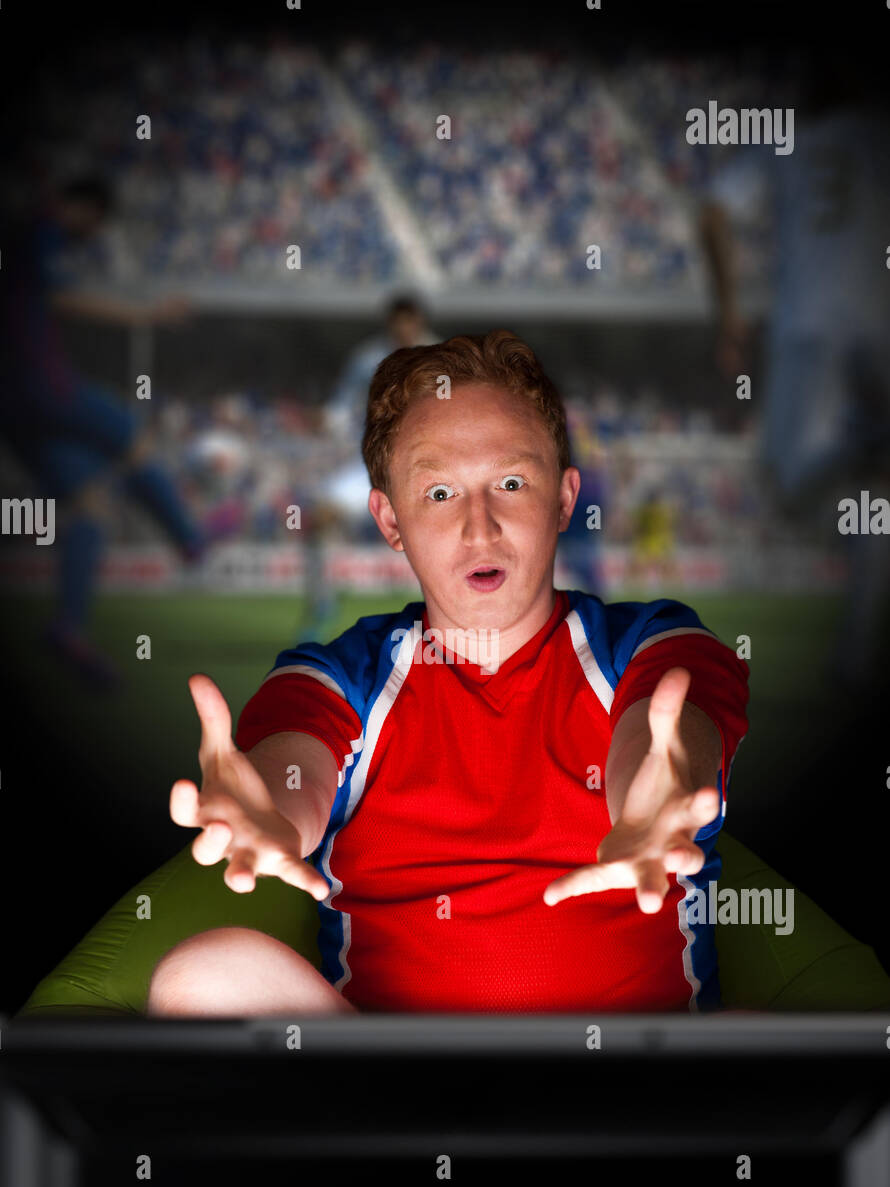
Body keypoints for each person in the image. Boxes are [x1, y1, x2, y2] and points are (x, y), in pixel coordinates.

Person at [147, 330, 749, 1018]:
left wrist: (657, 791)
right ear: (389, 519)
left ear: (563, 499)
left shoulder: (650, 644)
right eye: (438, 493)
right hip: (402, 1092)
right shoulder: (342, 677)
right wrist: (266, 813)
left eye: (512, 484)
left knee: (781, 1050)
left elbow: (665, 734)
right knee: (201, 978)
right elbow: (295, 770)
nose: (479, 527)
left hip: (622, 1090)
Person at [698, 54, 890, 693]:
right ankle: (855, 656)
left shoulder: (788, 143)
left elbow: (713, 213)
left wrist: (728, 317)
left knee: (786, 484)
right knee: (874, 502)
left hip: (810, 331)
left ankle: (858, 451)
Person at [0, 174, 206, 688]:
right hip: (41, 384)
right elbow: (59, 298)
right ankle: (191, 542)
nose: (90, 236)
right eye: (94, 223)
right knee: (133, 439)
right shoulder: (39, 229)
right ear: (82, 207)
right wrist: (147, 314)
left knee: (90, 505)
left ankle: (68, 629)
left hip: (12, 407)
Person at [299, 293, 438, 641]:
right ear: (391, 322)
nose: (405, 326)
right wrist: (324, 419)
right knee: (318, 520)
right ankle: (322, 605)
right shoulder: (368, 359)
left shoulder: (444, 357)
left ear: (419, 321)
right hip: (375, 465)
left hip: (429, 468)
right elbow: (344, 405)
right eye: (399, 319)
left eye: (410, 319)